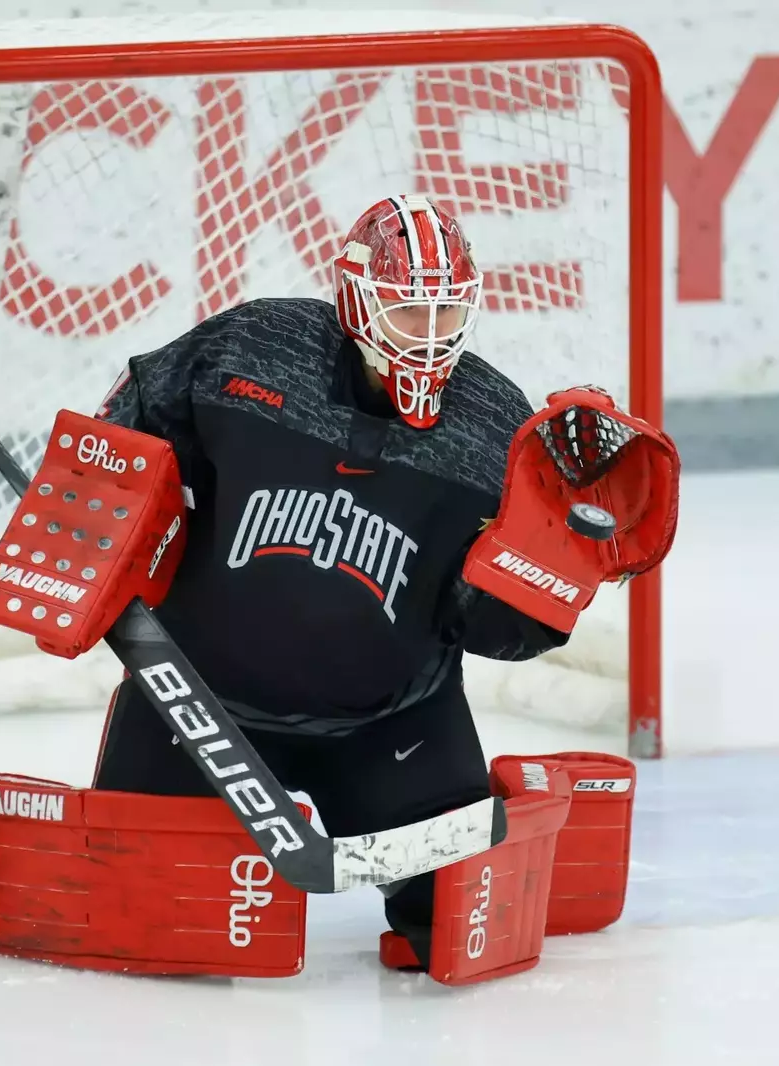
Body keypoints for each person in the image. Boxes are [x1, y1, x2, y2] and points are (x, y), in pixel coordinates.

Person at [90, 194, 569, 968]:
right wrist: (110, 502)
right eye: (409, 313)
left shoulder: (494, 428)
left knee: (455, 936)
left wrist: (569, 563)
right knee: (148, 934)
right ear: (355, 297)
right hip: (202, 712)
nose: (431, 336)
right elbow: (131, 416)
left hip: (393, 727)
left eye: (448, 314)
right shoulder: (254, 347)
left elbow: (497, 630)